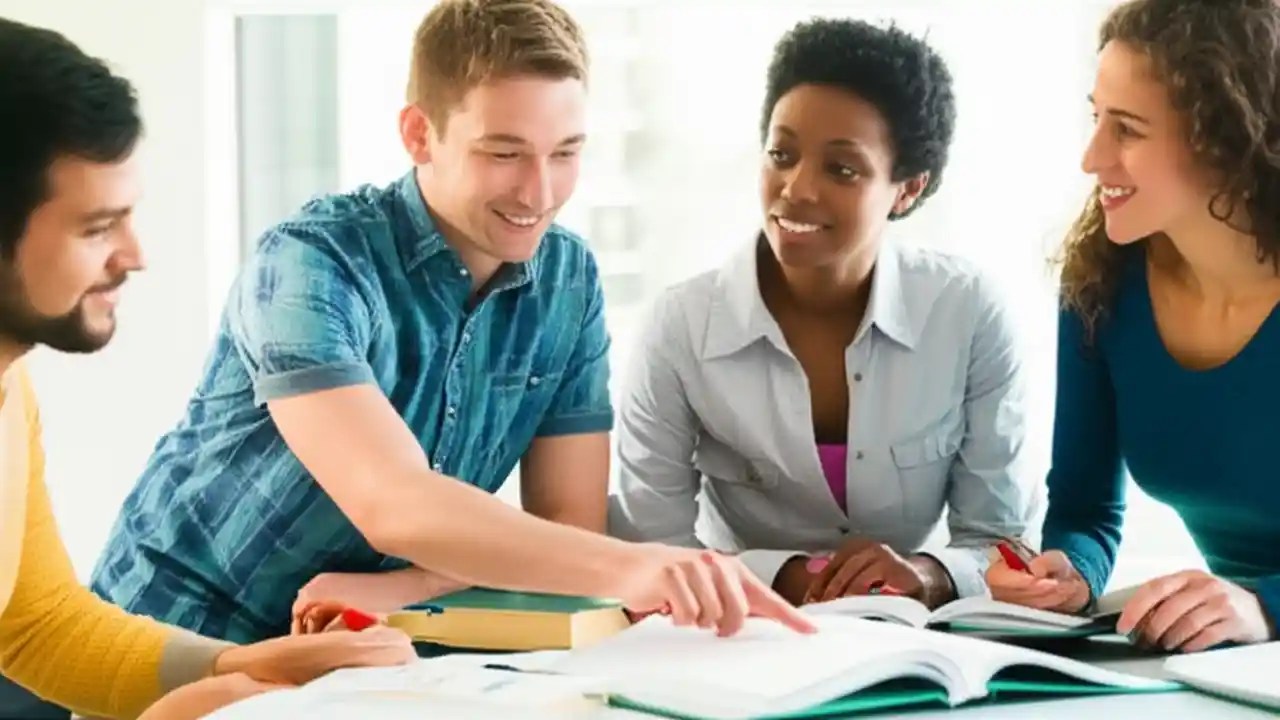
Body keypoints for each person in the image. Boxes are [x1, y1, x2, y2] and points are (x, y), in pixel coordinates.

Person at [90, 0, 813, 645]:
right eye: (504, 153)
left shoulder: (567, 281)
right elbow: (393, 503)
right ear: (418, 134)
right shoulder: (312, 263)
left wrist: (413, 586)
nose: (539, 192)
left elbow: (564, 527)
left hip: (367, 648)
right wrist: (641, 567)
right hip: (171, 633)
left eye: (566, 153)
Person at [0, 17, 417, 720]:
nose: (134, 255)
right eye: (96, 227)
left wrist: (242, 665)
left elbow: (36, 624)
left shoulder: (11, 390)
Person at [609, 18, 1036, 610]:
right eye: (781, 155)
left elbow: (1003, 543)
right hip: (736, 632)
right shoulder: (679, 328)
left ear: (908, 189)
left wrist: (927, 575)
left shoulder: (968, 313)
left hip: (912, 632)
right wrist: (782, 578)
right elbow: (650, 546)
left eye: (842, 169)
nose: (796, 188)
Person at [987, 0, 1280, 653]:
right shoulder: (1101, 285)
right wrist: (1069, 575)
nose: (1091, 158)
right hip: (1235, 659)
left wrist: (1268, 604)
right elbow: (1085, 511)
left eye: (1127, 129)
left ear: (1227, 136)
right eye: (1096, 119)